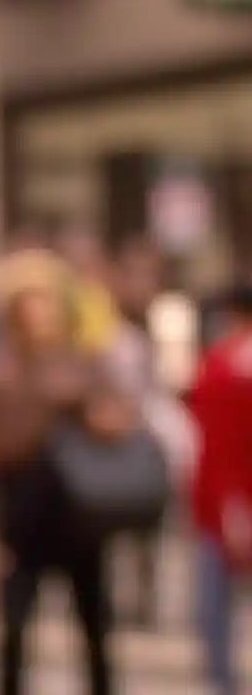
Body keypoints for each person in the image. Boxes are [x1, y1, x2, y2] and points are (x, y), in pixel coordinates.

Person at [0, 286, 113, 695]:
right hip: (24, 515)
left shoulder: (84, 364)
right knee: (15, 627)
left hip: (78, 513)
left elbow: (114, 417)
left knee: (94, 626)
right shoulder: (4, 370)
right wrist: (46, 403)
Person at [189, 282, 252, 695]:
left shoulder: (225, 364)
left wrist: (231, 505)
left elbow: (219, 443)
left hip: (227, 501)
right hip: (229, 499)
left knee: (215, 605)